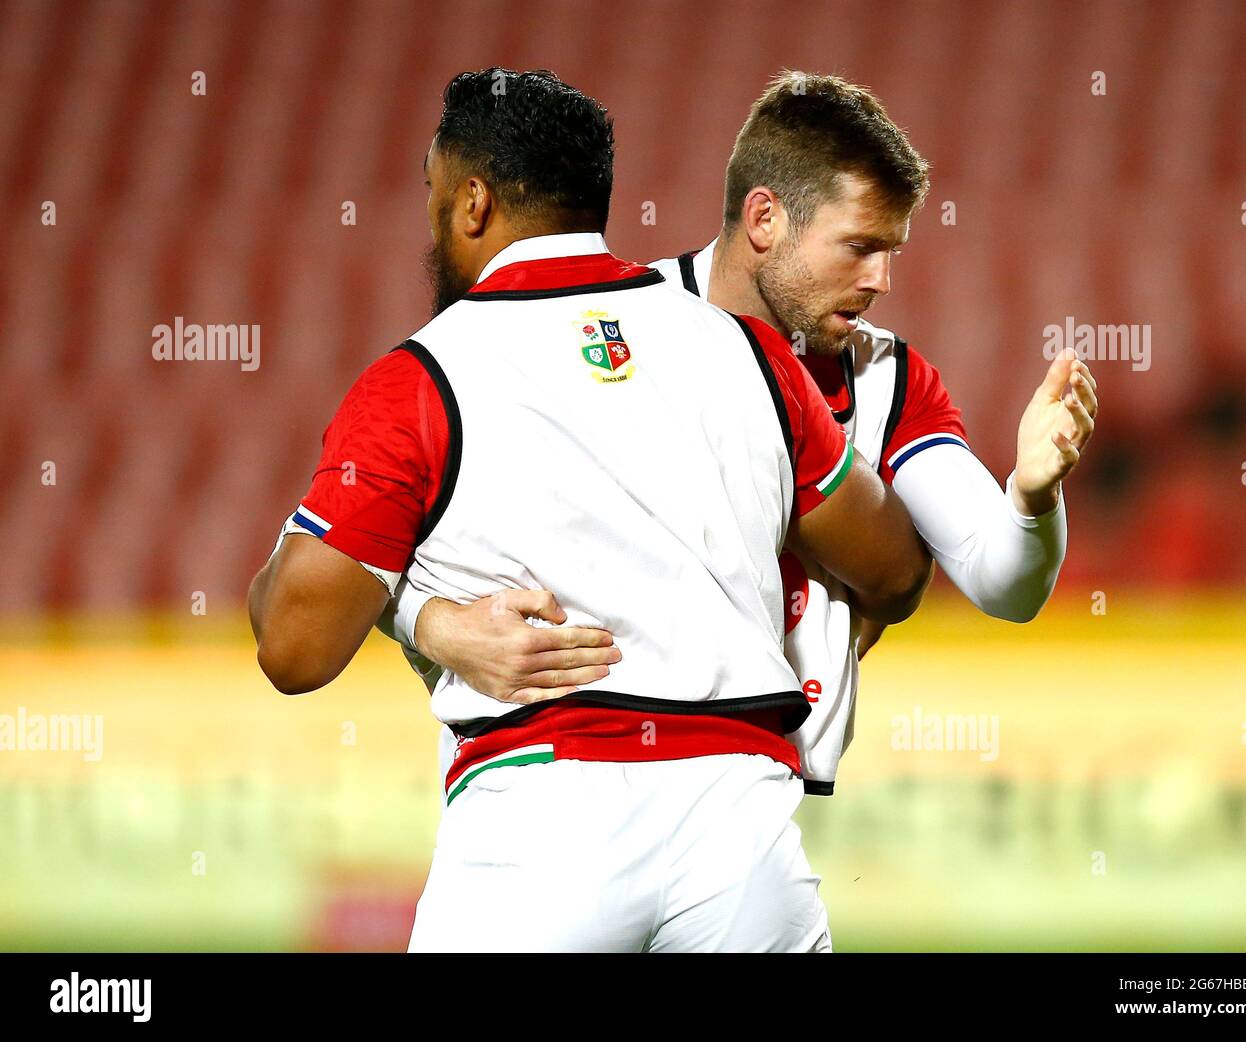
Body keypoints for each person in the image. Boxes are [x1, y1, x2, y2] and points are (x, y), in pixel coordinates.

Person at [249, 68, 932, 952]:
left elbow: (294, 647)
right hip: (742, 835)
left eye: (431, 190)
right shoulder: (753, 358)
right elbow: (895, 568)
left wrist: (424, 613)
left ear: (472, 202)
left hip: (539, 821)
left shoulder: (419, 382)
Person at [394, 71, 1098, 796]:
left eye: (892, 249)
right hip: (577, 771)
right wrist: (433, 623)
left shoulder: (889, 380)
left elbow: (1002, 580)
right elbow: (381, 541)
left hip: (755, 790)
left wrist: (1032, 496)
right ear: (764, 220)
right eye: (858, 246)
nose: (883, 278)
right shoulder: (610, 329)